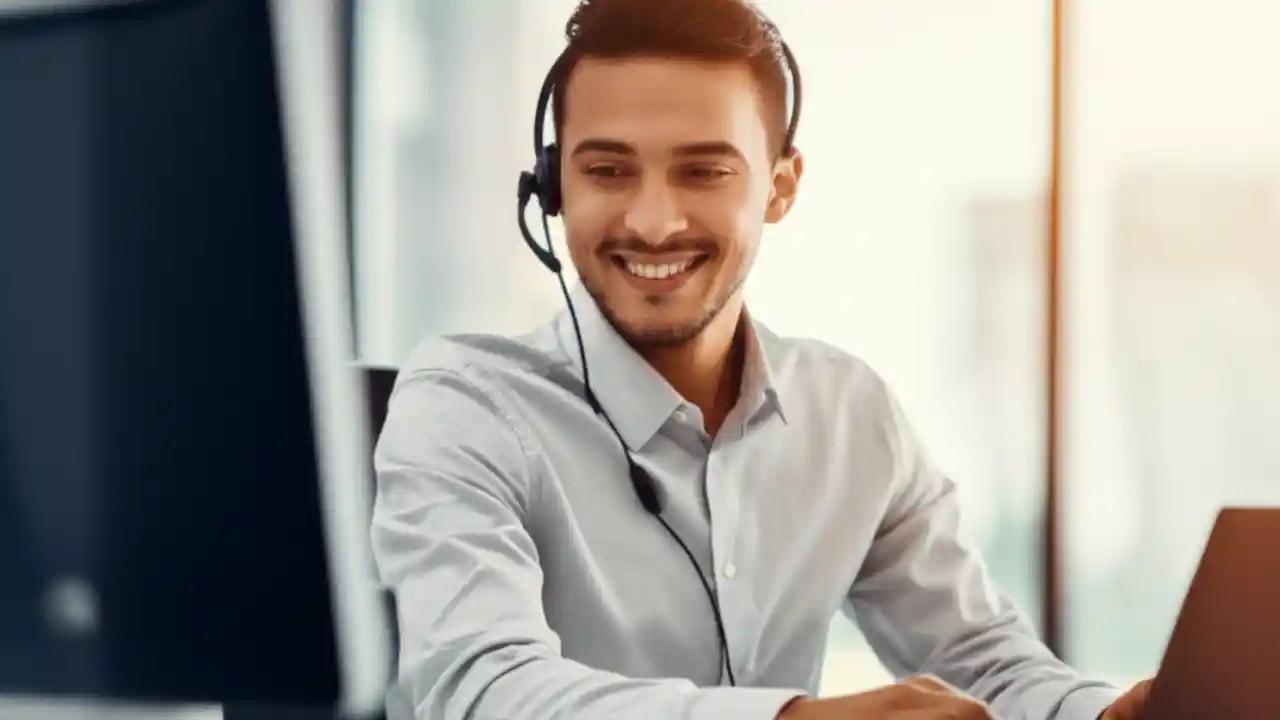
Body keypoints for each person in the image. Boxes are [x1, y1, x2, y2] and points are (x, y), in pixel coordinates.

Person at [370, 0, 1153, 718]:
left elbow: (984, 663)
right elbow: (485, 690)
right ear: (552, 187)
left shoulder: (848, 413)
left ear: (779, 188)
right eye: (607, 170)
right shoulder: (466, 405)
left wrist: (1105, 712)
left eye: (704, 171)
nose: (652, 222)